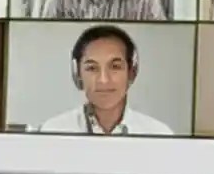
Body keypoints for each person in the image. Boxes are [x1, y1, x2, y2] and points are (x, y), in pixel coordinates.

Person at [38, 24, 174, 135]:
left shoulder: (159, 134)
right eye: (92, 68)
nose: (103, 80)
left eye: (115, 66)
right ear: (77, 73)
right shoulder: (53, 130)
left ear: (131, 72)